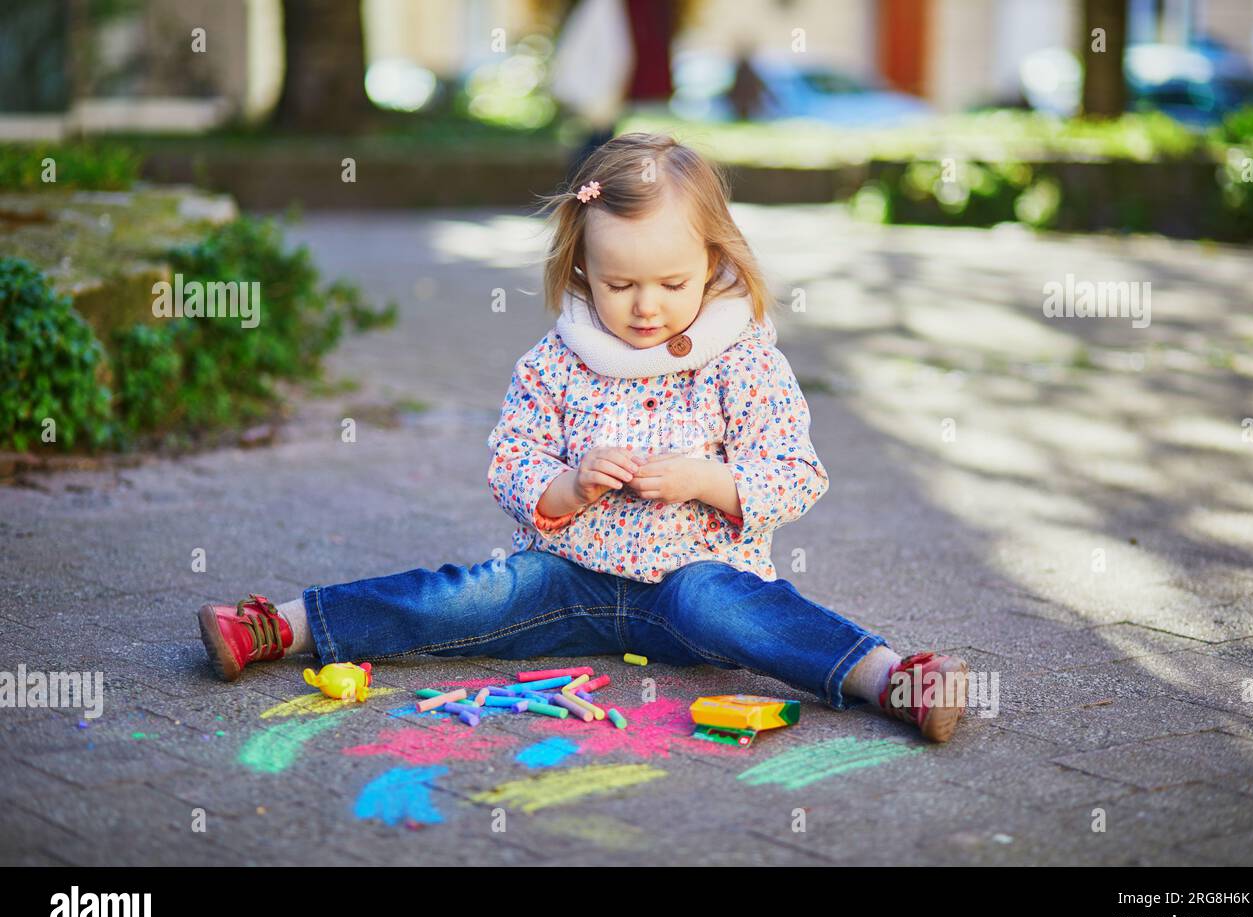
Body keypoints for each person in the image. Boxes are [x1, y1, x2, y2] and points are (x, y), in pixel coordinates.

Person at [195, 132, 970, 742]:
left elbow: (797, 473)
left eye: (671, 284)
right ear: (582, 270)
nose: (644, 308)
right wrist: (566, 486)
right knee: (465, 597)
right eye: (618, 284)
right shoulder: (560, 360)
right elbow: (513, 457)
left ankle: (890, 675)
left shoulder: (741, 360)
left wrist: (704, 479)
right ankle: (282, 625)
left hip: (692, 582)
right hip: (572, 579)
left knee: (741, 610)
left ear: (713, 262)